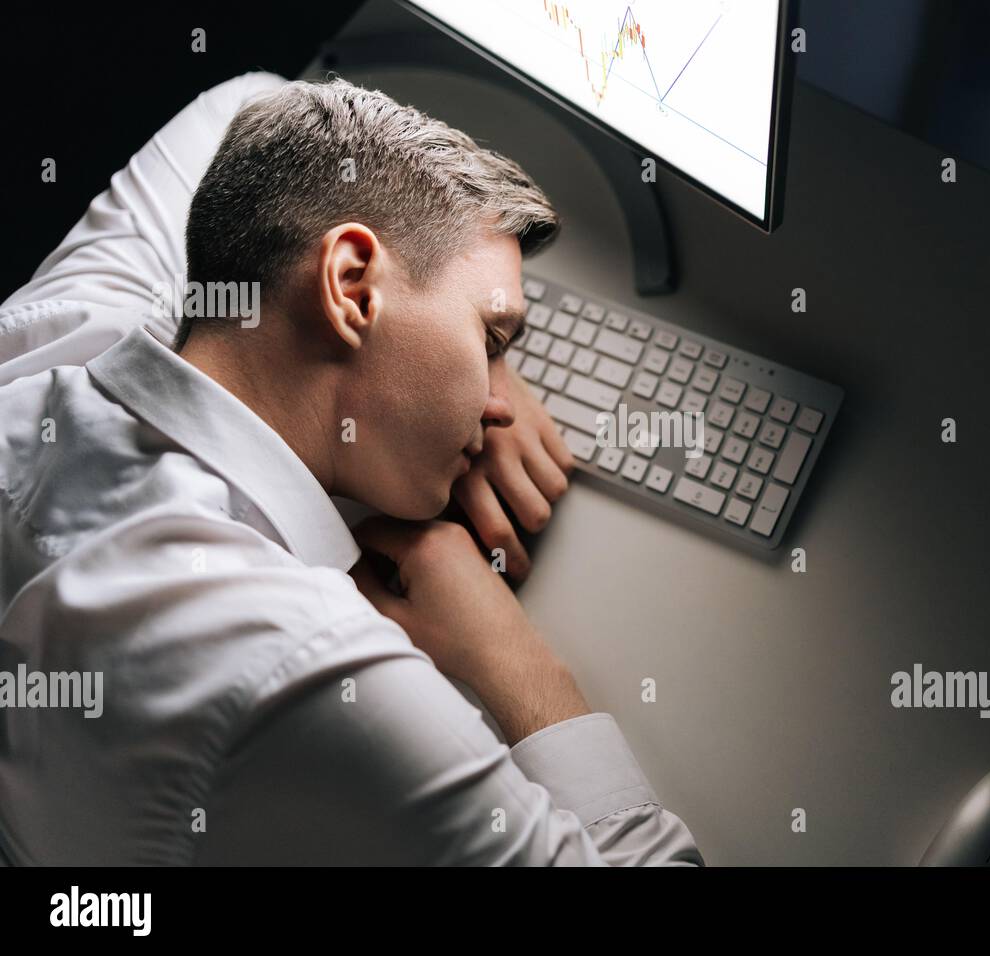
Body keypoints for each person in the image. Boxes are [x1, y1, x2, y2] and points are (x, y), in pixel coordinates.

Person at [0, 72, 703, 866]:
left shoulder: (58, 334)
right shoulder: (309, 665)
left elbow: (253, 96)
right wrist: (515, 661)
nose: (503, 404)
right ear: (350, 287)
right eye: (495, 341)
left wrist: (444, 380)